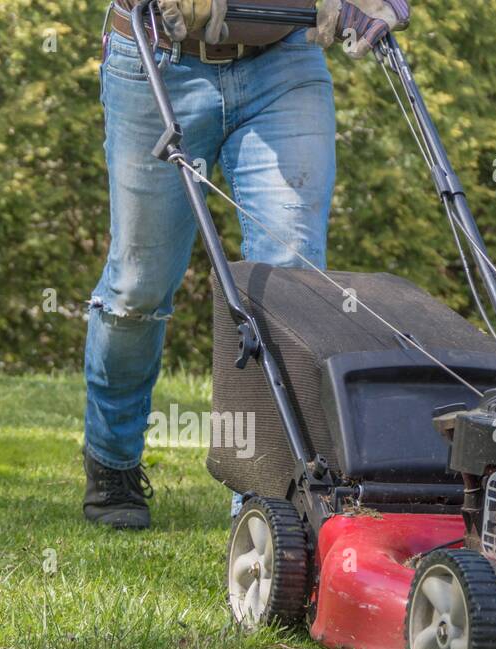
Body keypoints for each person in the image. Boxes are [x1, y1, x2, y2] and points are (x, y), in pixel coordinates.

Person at [82, 0, 410, 528]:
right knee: (137, 289)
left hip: (283, 63)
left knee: (291, 281)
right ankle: (111, 462)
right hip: (159, 64)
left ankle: (269, 496)